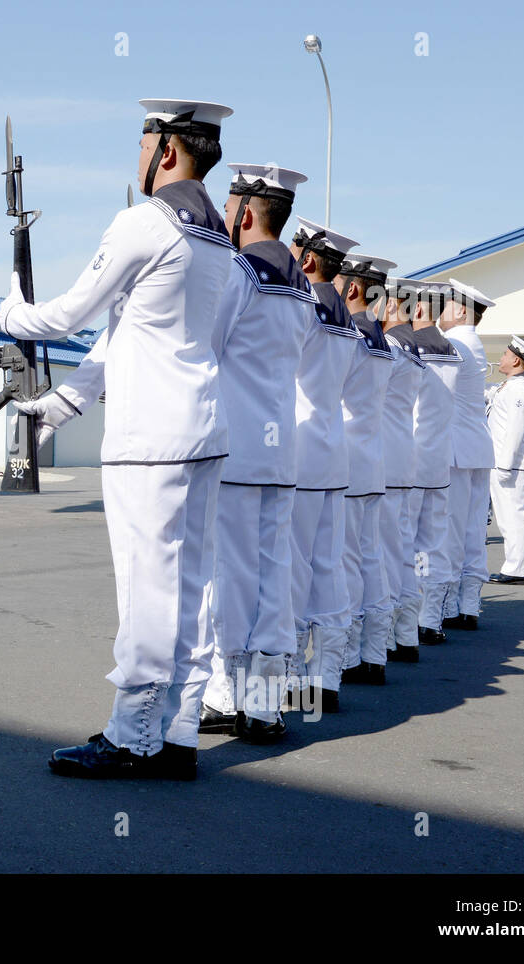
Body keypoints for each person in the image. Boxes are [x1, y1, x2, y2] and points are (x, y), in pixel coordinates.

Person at [2, 98, 234, 779]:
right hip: (200, 434)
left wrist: (14, 311)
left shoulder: (143, 221)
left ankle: (131, 736)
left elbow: (72, 315)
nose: (135, 159)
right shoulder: (215, 235)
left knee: (146, 590)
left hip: (148, 441)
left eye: (140, 145)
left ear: (165, 150)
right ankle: (177, 734)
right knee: (190, 590)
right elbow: (126, 334)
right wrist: (65, 404)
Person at [193, 163, 311, 743]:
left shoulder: (238, 273)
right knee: (274, 574)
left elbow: (205, 346)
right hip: (281, 451)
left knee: (230, 576)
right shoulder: (304, 287)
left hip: (237, 449)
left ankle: (222, 693)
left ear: (243, 212)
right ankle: (265, 704)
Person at [285, 218, 361, 714]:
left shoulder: (303, 305)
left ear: (309, 260)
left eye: (294, 250)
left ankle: (288, 679)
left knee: (291, 572)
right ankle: (327, 677)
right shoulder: (346, 320)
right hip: (334, 454)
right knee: (329, 569)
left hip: (298, 454)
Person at [333, 253, 396, 687]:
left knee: (346, 563)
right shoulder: (381, 339)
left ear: (352, 288)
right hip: (373, 462)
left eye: (339, 281)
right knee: (371, 560)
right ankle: (374, 651)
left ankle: (349, 656)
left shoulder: (350, 334)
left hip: (348, 462)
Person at [402, 283, 462, 647]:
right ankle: (430, 618)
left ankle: (406, 624)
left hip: (410, 460)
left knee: (404, 542)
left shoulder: (413, 349)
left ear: (420, 310)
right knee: (431, 544)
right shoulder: (453, 351)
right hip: (438, 461)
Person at [439, 278, 496, 631]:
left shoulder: (456, 341)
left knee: (452, 529)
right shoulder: (473, 342)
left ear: (460, 310)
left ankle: (445, 607)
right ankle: (469, 603)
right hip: (476, 447)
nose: (438, 311)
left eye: (444, 305)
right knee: (473, 529)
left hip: (458, 450)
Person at [377, 279, 427, 664]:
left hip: (386, 460)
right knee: (402, 549)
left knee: (383, 550)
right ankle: (405, 632)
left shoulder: (392, 348)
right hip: (404, 457)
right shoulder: (415, 350)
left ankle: (387, 639)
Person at [488, 336, 524, 583]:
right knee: (509, 517)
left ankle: (517, 570)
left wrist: (505, 465)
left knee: (514, 517)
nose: (501, 358)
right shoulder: (511, 385)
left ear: (516, 360)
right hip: (507, 461)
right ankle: (516, 567)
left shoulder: (520, 389)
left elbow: (515, 430)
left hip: (513, 463)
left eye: (505, 355)